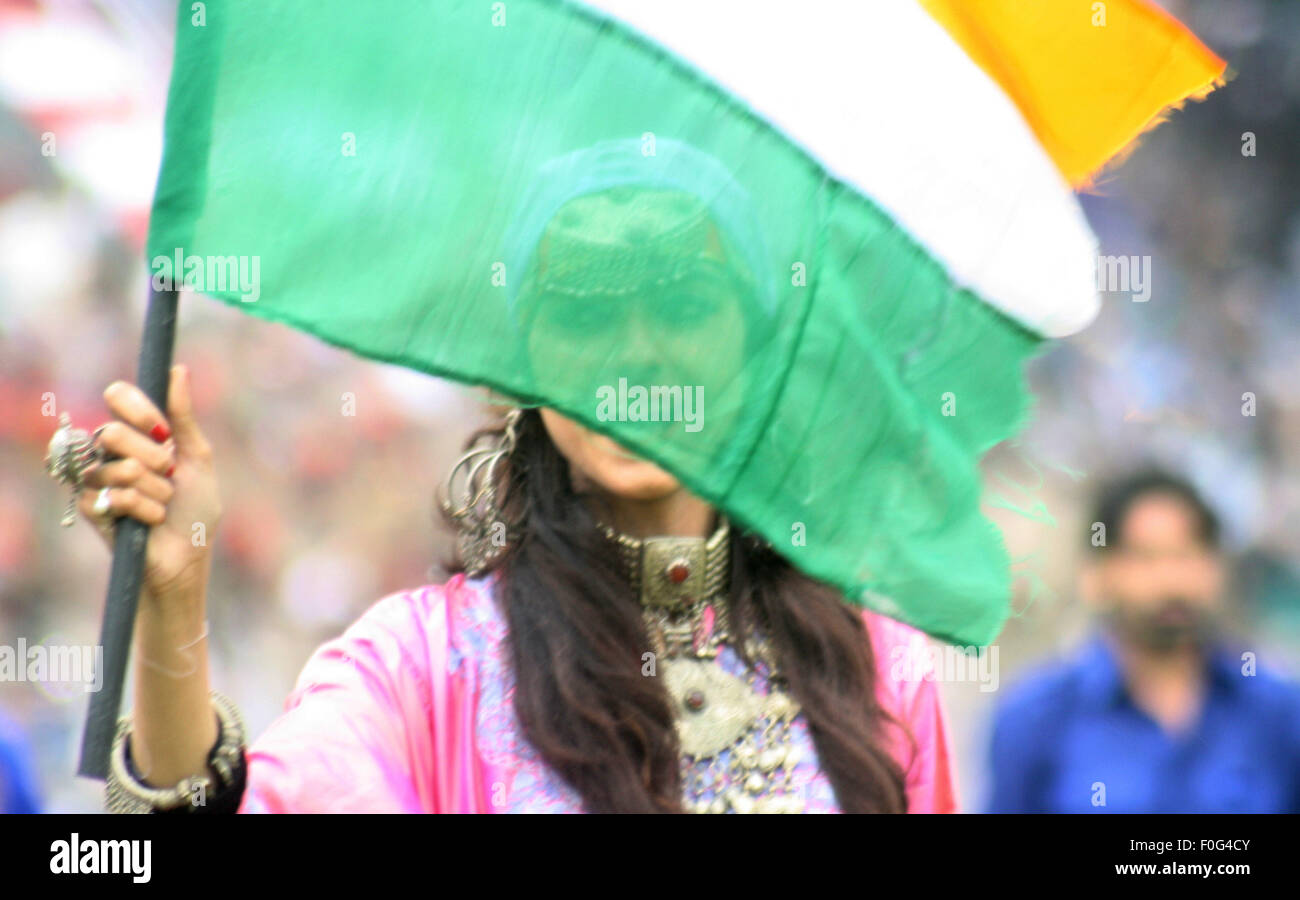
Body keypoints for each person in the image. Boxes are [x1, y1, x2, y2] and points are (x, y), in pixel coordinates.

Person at [52, 143, 958, 814]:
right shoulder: (421, 669)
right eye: (586, 312)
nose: (637, 357)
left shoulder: (880, 664)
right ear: (523, 366)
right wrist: (173, 602)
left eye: (682, 306)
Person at [987, 470, 1300, 813]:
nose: (1171, 581)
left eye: (1187, 555)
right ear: (1098, 574)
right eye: (1146, 558)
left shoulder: (1275, 711)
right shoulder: (1039, 718)